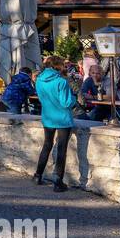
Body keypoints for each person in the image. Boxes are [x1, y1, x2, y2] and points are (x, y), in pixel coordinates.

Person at [33, 56, 76, 192]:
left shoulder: (39, 79)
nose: (64, 67)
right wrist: (74, 97)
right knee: (61, 149)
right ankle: (58, 181)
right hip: (62, 118)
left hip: (48, 116)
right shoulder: (61, 82)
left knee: (47, 145)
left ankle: (38, 175)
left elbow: (40, 98)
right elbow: (66, 103)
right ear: (58, 66)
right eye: (63, 64)